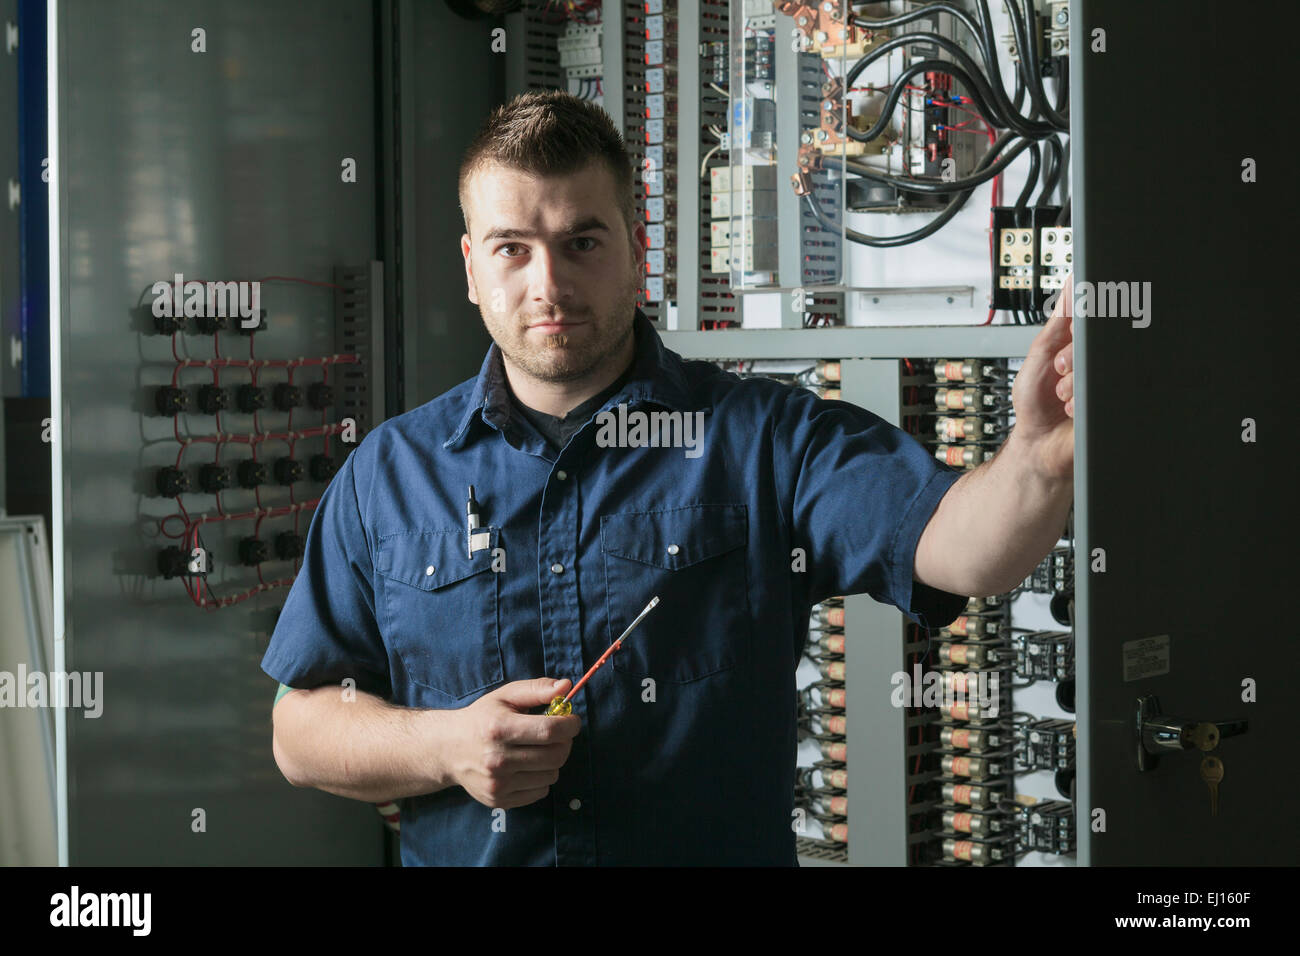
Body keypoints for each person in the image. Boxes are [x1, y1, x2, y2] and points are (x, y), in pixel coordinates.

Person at [262, 90, 1075, 865]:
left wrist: (1037, 461)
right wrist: (444, 747)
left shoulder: (763, 441)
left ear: (637, 247)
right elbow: (300, 730)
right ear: (473, 267)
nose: (548, 285)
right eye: (513, 248)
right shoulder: (389, 475)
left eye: (582, 242)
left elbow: (963, 550)